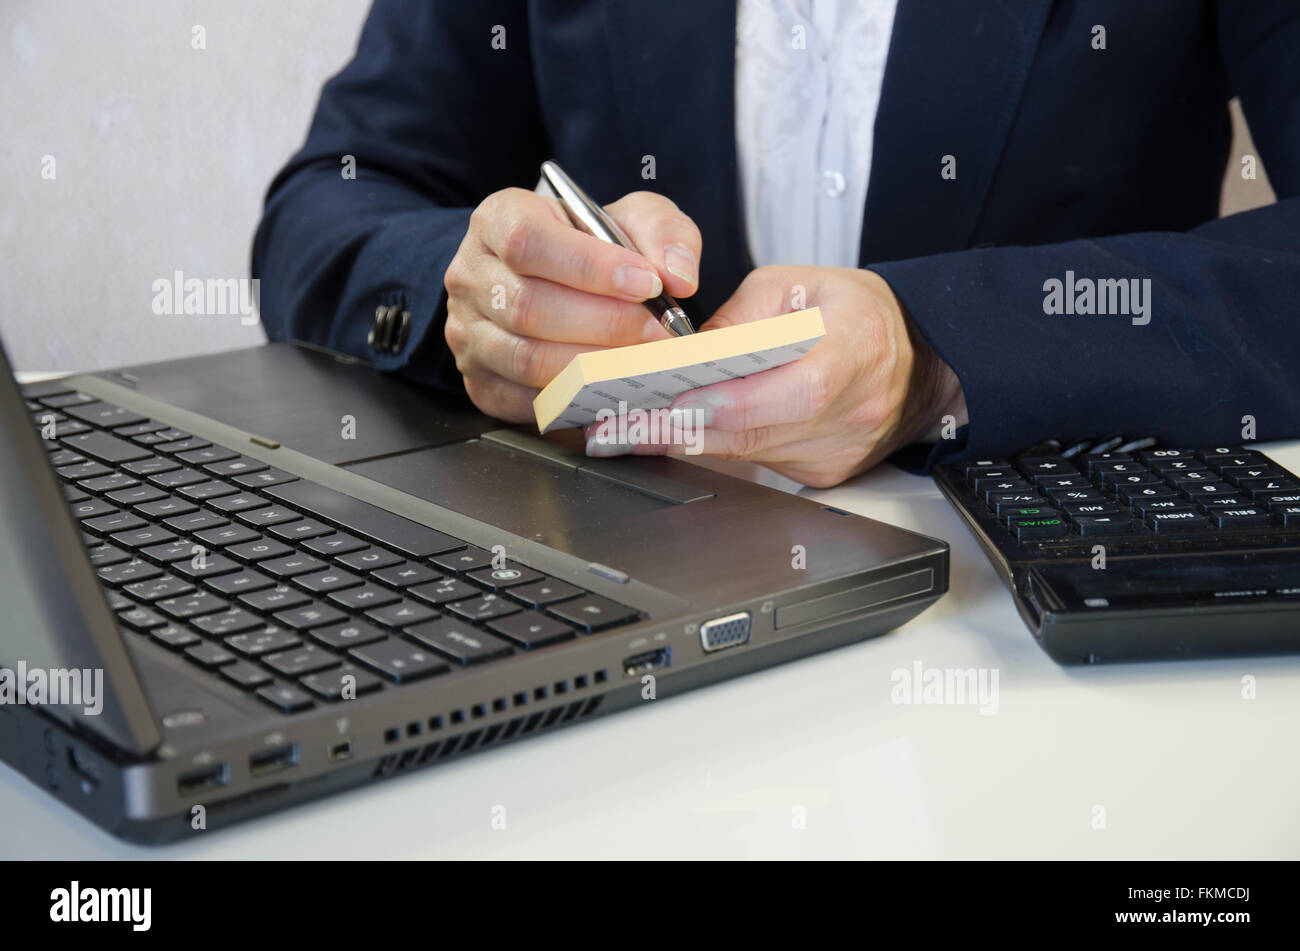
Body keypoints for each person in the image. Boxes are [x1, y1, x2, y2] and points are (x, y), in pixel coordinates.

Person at [253, 0, 1300, 488]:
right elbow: (327, 206)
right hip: (625, 606)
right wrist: (480, 298)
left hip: (1029, 635)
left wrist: (936, 354)